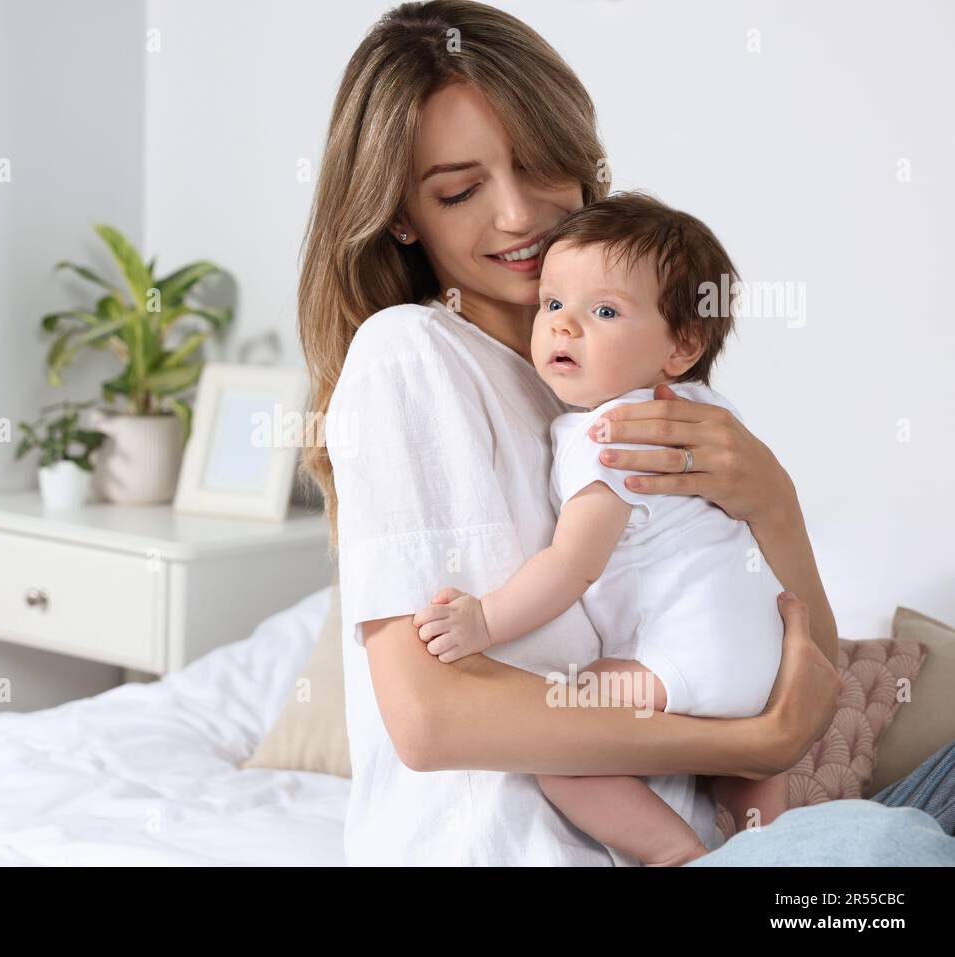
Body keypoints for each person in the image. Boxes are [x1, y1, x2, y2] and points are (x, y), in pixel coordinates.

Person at [298, 0, 842, 866]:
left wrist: (774, 501)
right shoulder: (412, 354)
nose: (519, 215)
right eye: (460, 189)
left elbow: (810, 660)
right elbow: (432, 720)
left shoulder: (602, 382)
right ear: (402, 214)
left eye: (539, 164)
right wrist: (752, 743)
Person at [412, 192, 790, 866]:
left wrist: (485, 621)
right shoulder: (706, 410)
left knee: (559, 747)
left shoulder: (609, 434)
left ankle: (677, 855)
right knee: (749, 777)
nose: (563, 328)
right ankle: (782, 843)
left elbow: (570, 565)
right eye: (552, 304)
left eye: (604, 311)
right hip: (758, 659)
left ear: (682, 343)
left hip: (684, 659)